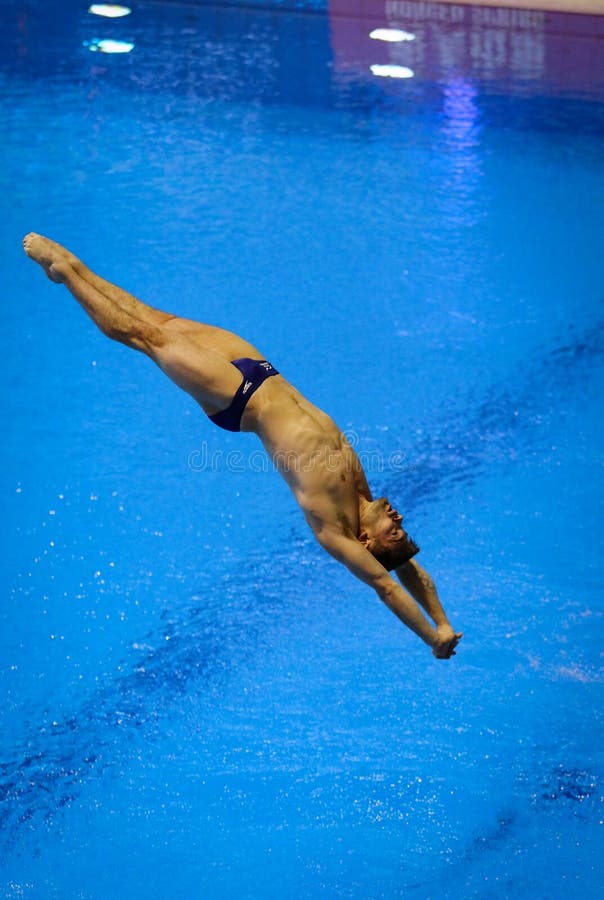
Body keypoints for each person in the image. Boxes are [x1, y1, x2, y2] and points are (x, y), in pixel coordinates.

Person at [23, 233, 462, 659]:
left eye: (395, 530)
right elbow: (406, 566)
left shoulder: (334, 528)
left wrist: (430, 638)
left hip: (236, 400)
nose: (400, 517)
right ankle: (76, 266)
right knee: (156, 318)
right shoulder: (362, 492)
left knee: (145, 337)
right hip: (260, 370)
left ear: (366, 540)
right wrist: (442, 620)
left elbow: (387, 583)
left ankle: (67, 274)